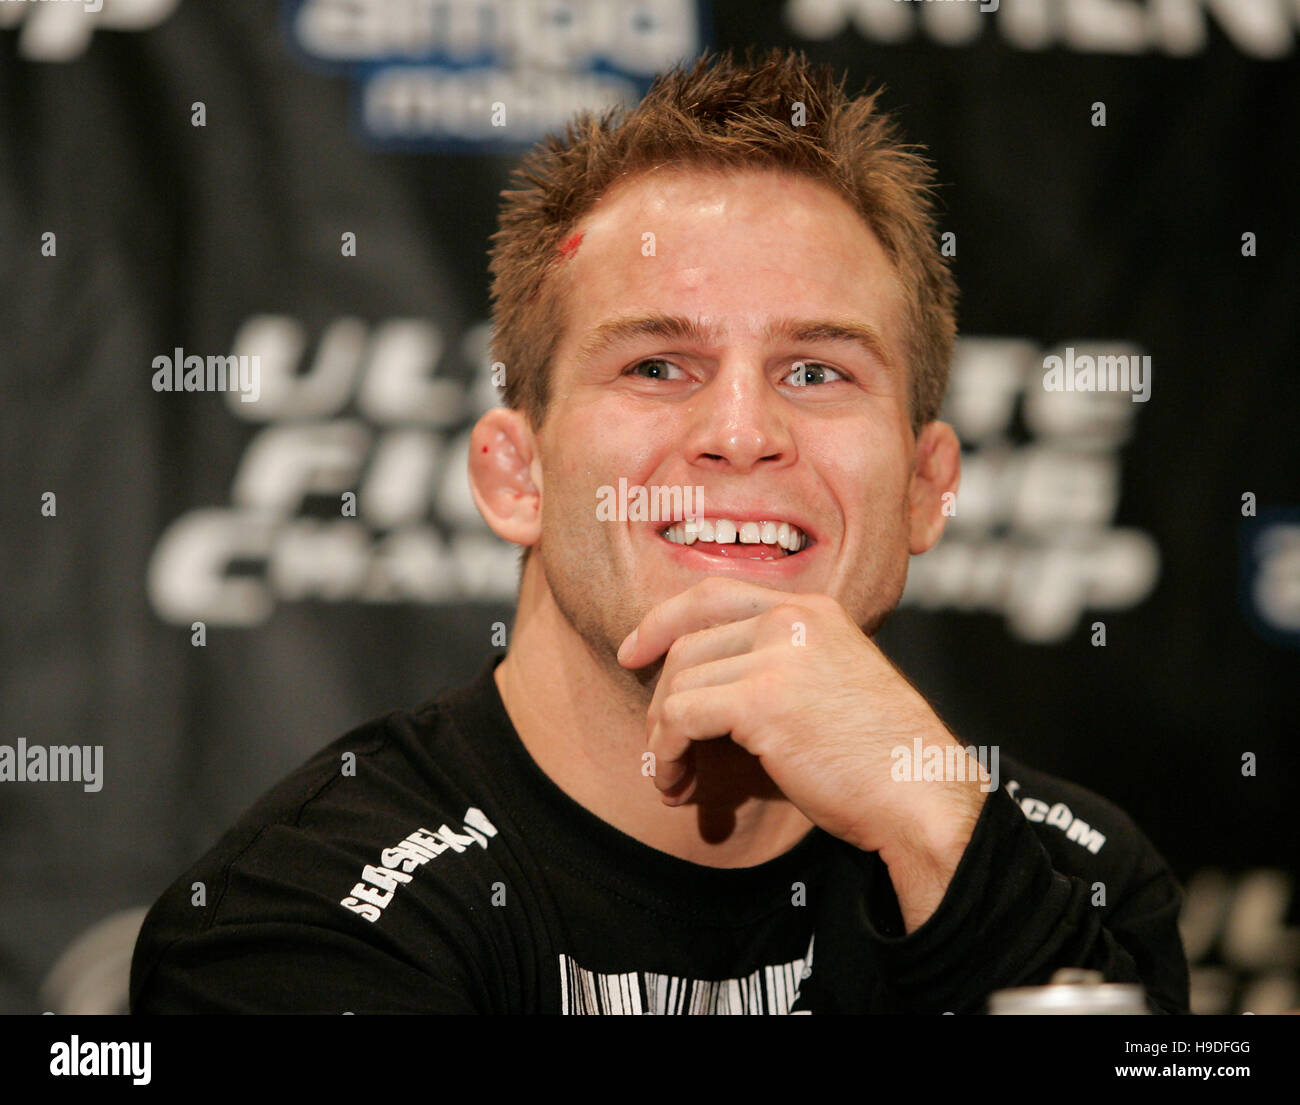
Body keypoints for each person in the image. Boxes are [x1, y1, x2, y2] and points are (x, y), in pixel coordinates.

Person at [130, 47, 1189, 1015]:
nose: (740, 432)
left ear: (924, 488)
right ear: (515, 474)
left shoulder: (1074, 877)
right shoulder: (302, 914)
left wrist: (939, 838)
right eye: (655, 365)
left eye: (816, 370)